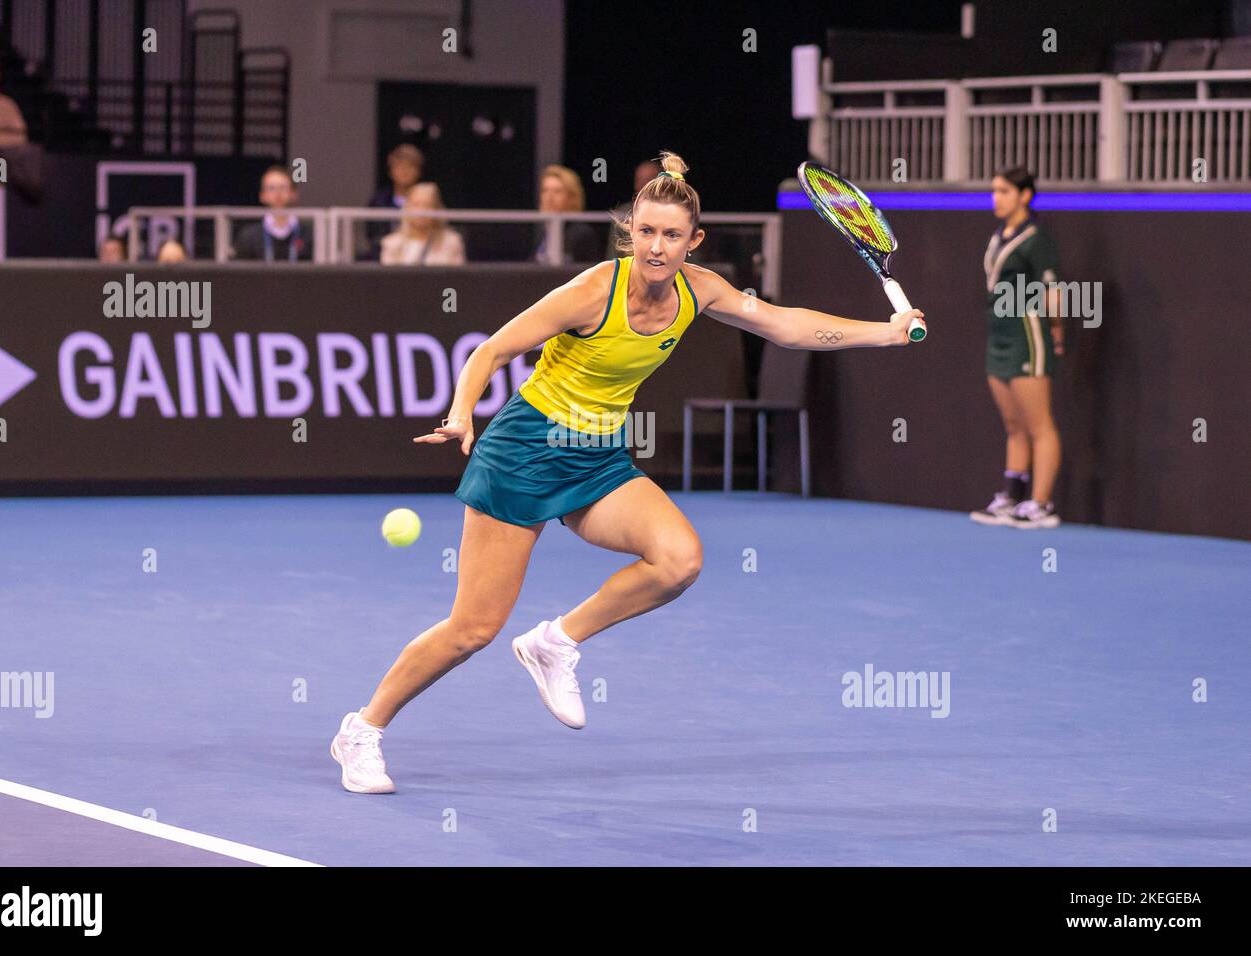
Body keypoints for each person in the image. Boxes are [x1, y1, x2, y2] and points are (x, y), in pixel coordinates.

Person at [329, 151, 926, 793]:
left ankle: (556, 641)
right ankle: (363, 729)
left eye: (672, 236)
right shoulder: (593, 290)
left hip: (597, 458)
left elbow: (783, 326)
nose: (657, 247)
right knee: (472, 627)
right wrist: (461, 414)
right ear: (629, 231)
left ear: (693, 241)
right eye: (646, 232)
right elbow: (493, 348)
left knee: (679, 561)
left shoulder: (703, 289)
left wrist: (885, 334)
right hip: (525, 451)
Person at [969, 167, 1064, 529]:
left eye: (1005, 191)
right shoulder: (997, 237)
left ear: (1025, 195)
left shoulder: (1037, 240)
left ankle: (1040, 505)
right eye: (994, 190)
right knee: (1013, 424)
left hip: (1029, 336)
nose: (996, 198)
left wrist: (1056, 332)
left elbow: (1054, 293)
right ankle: (1012, 497)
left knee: (1040, 425)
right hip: (999, 336)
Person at [232, 165, 313, 262]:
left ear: (294, 194)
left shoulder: (309, 235)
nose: (277, 193)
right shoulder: (249, 236)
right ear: (262, 195)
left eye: (283, 187)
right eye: (271, 188)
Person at [379, 182, 465, 265]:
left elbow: (459, 278)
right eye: (416, 205)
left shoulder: (452, 242)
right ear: (407, 208)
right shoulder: (391, 244)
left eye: (427, 205)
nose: (421, 211)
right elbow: (388, 279)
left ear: (437, 209)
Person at [532, 164, 602, 264]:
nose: (549, 197)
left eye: (557, 191)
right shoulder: (543, 231)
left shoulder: (582, 234)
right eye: (545, 190)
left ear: (571, 198)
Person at [365, 143, 424, 259]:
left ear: (418, 171)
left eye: (410, 166)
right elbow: (374, 238)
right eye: (399, 166)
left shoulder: (427, 202)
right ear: (391, 171)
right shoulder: (379, 202)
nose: (404, 171)